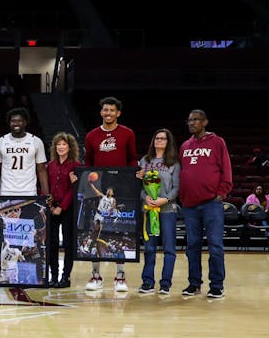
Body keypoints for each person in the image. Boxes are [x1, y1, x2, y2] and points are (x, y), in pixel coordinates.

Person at [83, 96, 138, 292]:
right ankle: (95, 275)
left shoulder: (127, 133)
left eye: (112, 110)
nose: (108, 113)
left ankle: (120, 276)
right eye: (105, 110)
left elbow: (132, 159)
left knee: (118, 231)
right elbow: (88, 163)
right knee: (95, 231)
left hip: (122, 187)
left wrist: (135, 175)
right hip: (100, 186)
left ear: (118, 113)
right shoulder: (91, 136)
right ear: (101, 112)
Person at [178, 110, 232, 299]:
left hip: (211, 203)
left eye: (195, 120)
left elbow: (226, 169)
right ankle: (194, 284)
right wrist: (183, 197)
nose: (191, 123)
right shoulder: (185, 145)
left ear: (205, 122)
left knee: (215, 245)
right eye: (189, 120)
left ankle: (217, 285)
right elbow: (183, 172)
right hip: (190, 205)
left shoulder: (217, 142)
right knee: (192, 246)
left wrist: (221, 193)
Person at [136, 129, 180, 295]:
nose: (159, 141)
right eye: (157, 138)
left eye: (163, 138)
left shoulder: (174, 163)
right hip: (149, 210)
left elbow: (176, 188)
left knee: (169, 249)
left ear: (169, 142)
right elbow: (139, 187)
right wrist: (145, 197)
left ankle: (165, 284)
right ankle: (147, 282)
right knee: (149, 248)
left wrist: (165, 199)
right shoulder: (145, 161)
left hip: (168, 210)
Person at [46, 132, 80, 288]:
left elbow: (74, 189)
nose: (60, 147)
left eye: (64, 144)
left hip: (68, 208)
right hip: (52, 208)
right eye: (58, 144)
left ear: (70, 147)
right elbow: (45, 187)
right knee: (51, 243)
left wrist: (61, 207)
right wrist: (50, 203)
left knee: (68, 243)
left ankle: (65, 277)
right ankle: (53, 276)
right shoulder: (50, 165)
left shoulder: (76, 165)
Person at [0, 107, 50, 197]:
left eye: (19, 120)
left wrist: (46, 194)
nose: (16, 123)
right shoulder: (0, 142)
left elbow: (41, 170)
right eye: (13, 121)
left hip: (29, 192)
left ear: (25, 122)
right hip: (6, 192)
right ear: (9, 123)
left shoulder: (36, 141)